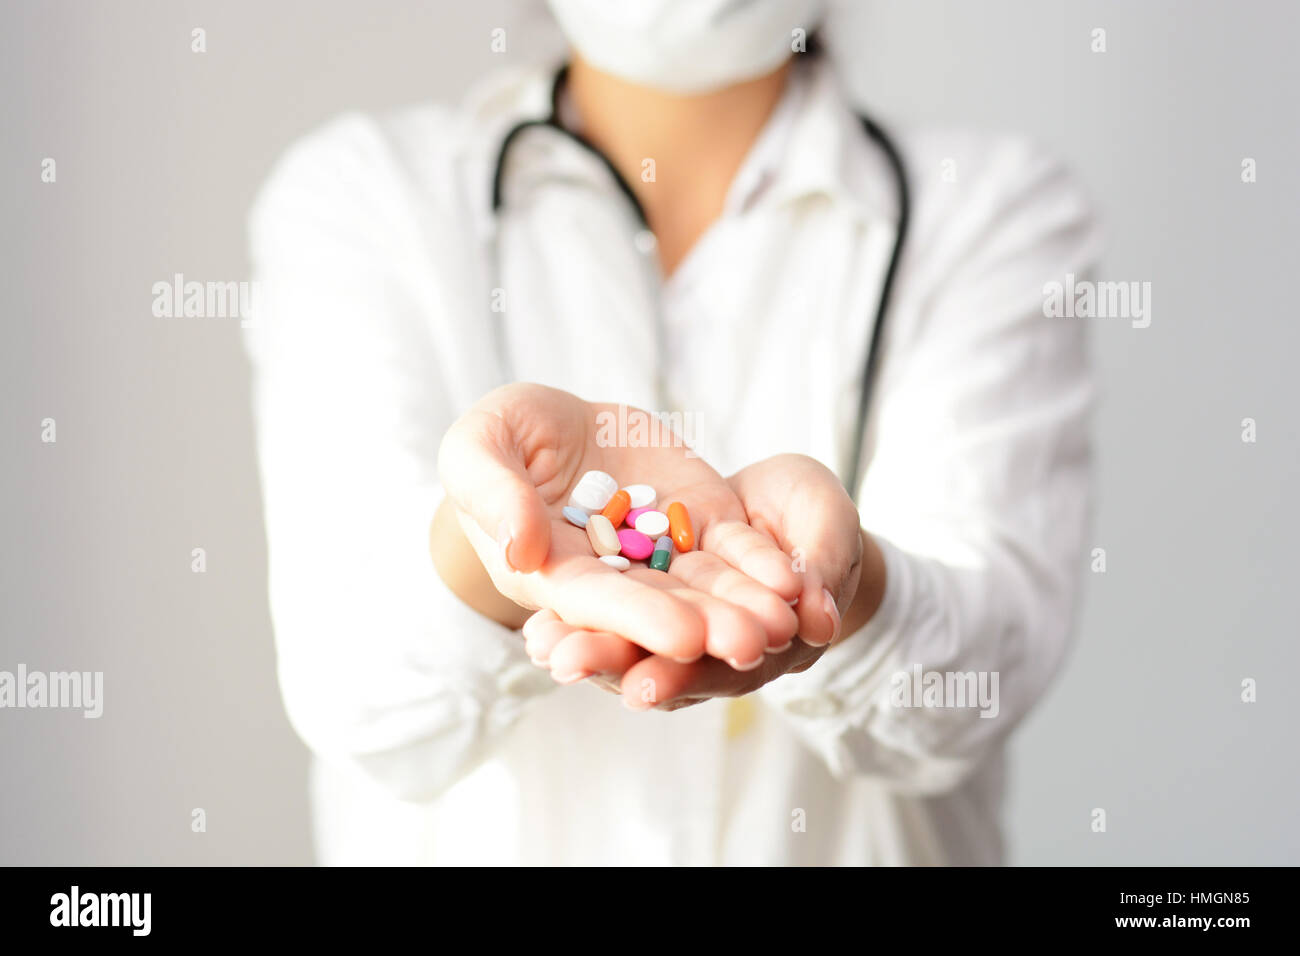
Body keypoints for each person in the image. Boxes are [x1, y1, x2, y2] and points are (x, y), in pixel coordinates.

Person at [244, 0, 1099, 865]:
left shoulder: (993, 209)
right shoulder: (362, 191)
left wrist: (849, 584)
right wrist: (504, 542)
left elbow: (983, 685)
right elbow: (358, 702)